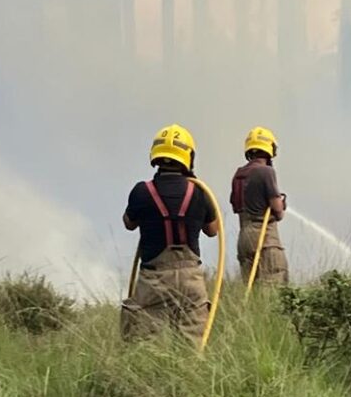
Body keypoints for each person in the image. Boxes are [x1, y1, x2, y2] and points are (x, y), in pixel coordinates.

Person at [121, 125, 219, 344]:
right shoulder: (200, 192)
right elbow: (212, 230)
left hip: (152, 281)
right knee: (192, 349)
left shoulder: (141, 191)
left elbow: (129, 223)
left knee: (144, 347)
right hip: (190, 280)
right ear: (188, 157)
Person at [230, 127, 289, 287]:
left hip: (244, 240)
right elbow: (278, 211)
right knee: (274, 288)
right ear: (270, 150)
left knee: (252, 289)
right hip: (265, 240)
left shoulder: (238, 175)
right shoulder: (266, 172)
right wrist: (281, 204)